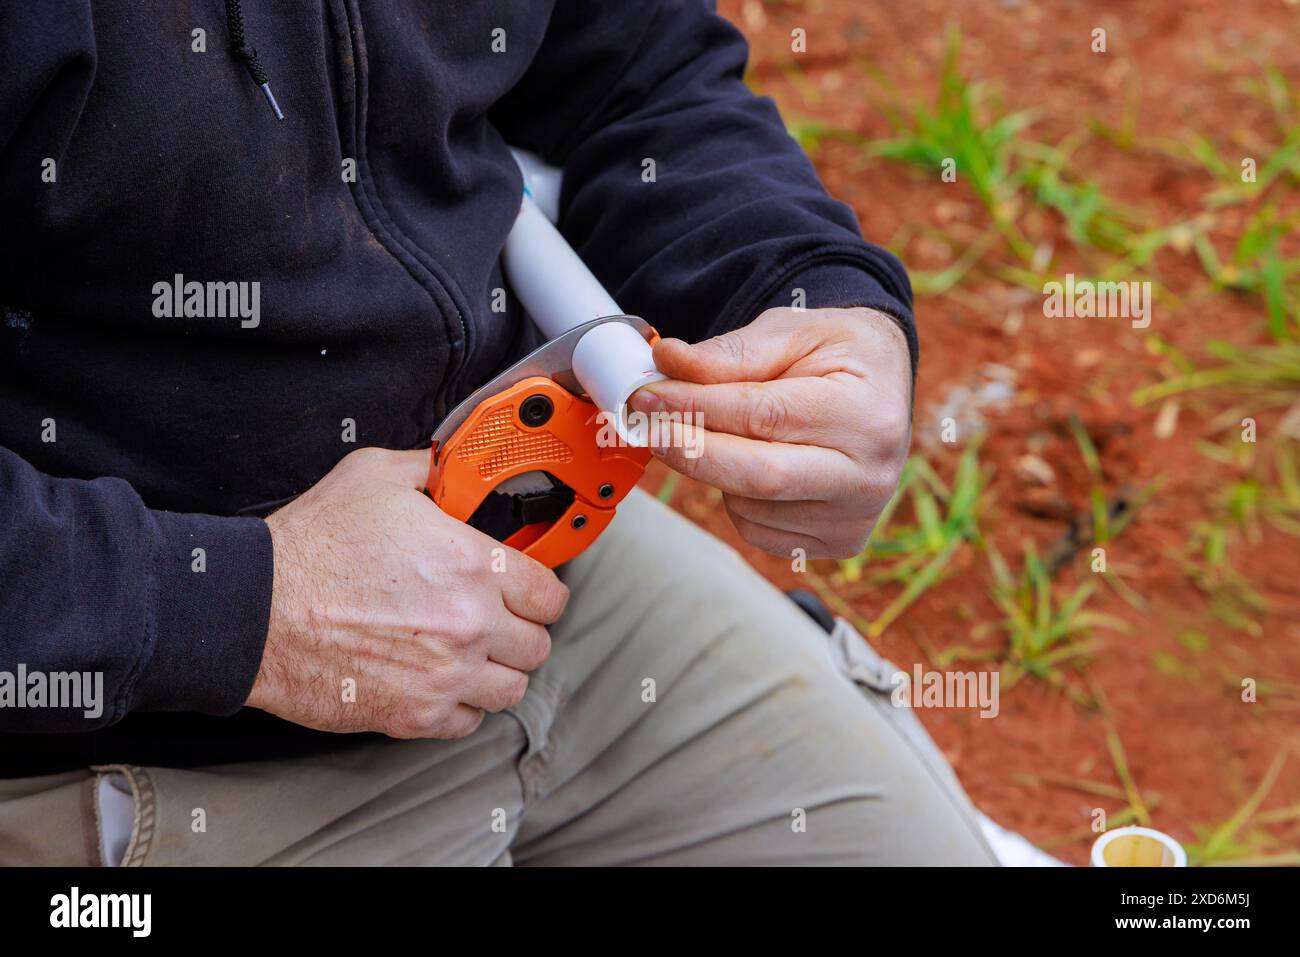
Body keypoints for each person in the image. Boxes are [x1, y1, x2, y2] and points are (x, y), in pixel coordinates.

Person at [0, 0, 995, 865]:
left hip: (544, 576)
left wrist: (803, 287)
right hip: (143, 725)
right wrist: (249, 608)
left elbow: (639, 72)